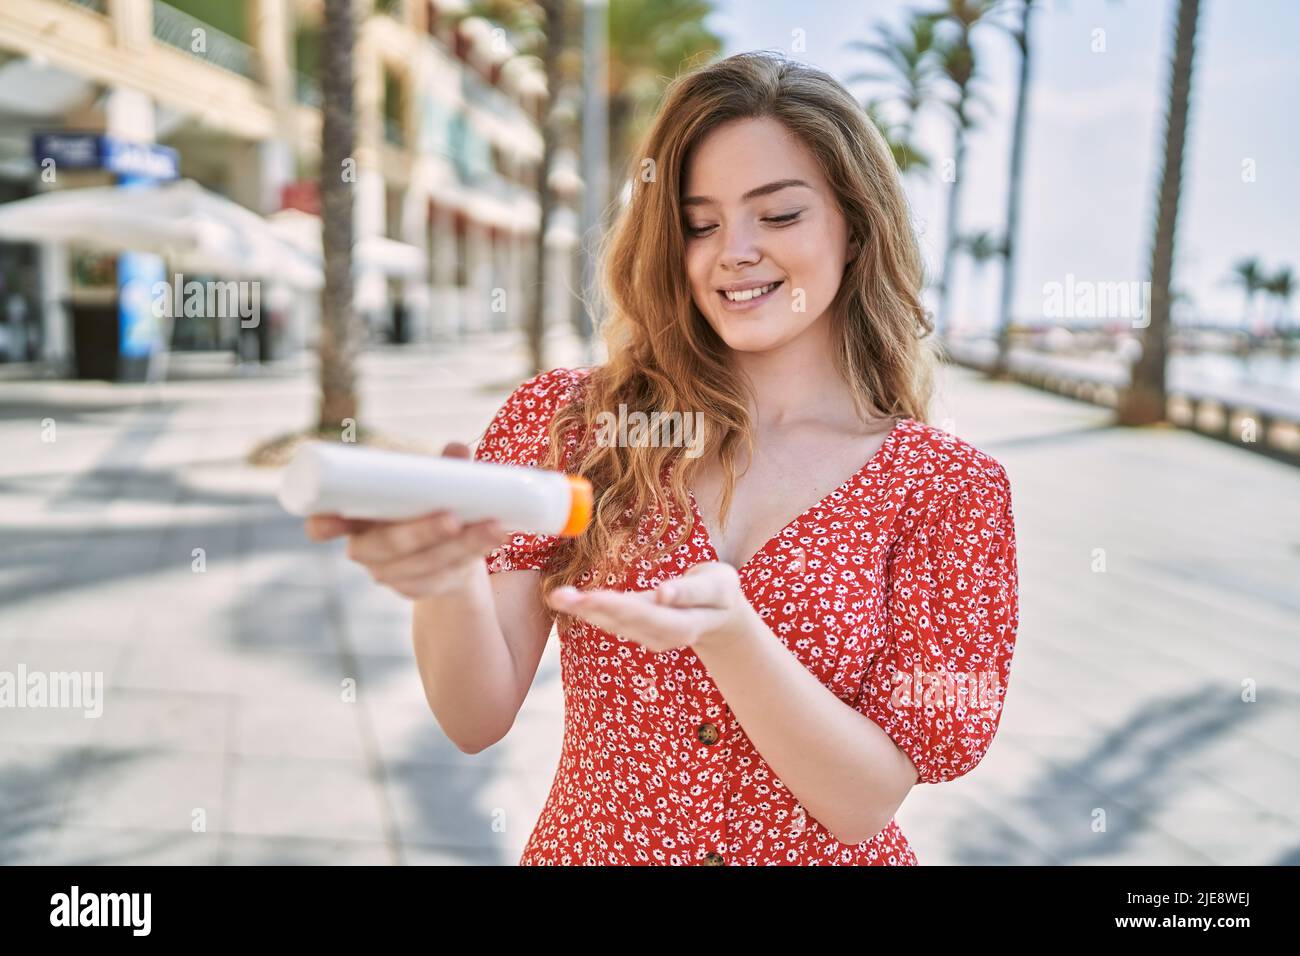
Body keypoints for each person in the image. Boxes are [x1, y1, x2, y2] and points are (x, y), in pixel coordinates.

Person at [305, 51, 1020, 866]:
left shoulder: (948, 489)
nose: (734, 252)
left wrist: (731, 636)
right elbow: (474, 719)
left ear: (854, 227)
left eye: (779, 216)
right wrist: (447, 576)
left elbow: (862, 805)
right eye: (700, 222)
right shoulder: (574, 427)